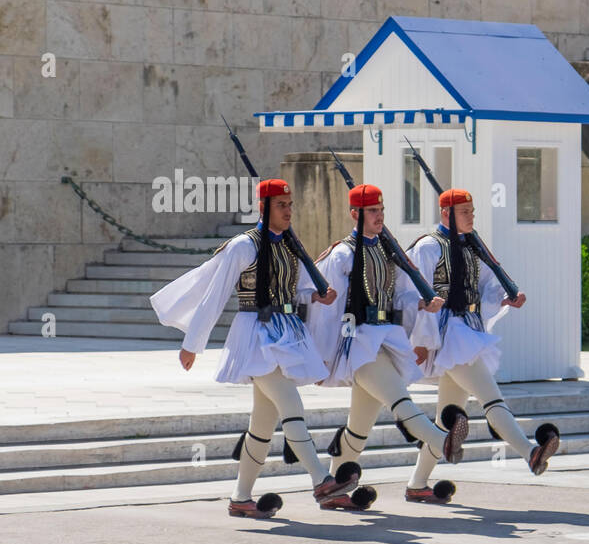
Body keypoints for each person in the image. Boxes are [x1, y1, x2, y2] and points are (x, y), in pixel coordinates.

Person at [150, 178, 362, 518]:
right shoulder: (243, 246)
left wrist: (317, 295)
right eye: (282, 205)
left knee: (262, 424)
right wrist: (193, 344)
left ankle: (240, 498)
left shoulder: (290, 245)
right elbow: (215, 296)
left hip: (286, 333)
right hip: (255, 337)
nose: (289, 211)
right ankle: (322, 480)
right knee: (291, 404)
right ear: (263, 208)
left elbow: (297, 288)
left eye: (290, 205)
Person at [306, 184, 467, 508]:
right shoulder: (343, 255)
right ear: (355, 214)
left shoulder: (387, 252)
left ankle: (332, 489)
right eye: (373, 211)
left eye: (381, 211)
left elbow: (401, 297)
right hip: (360, 345)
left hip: (387, 339)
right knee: (400, 400)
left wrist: (421, 305)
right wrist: (329, 355)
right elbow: (328, 312)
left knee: (358, 429)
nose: (380, 217)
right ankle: (441, 441)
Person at [397, 188, 559, 498]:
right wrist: (420, 341)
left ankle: (417, 485)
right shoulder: (428, 248)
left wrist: (507, 297)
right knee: (491, 398)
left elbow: (486, 285)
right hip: (447, 337)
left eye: (472, 212)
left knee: (445, 417)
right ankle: (530, 453)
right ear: (446, 214)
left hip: (467, 331)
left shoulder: (472, 246)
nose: (472, 217)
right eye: (465, 212)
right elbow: (414, 295)